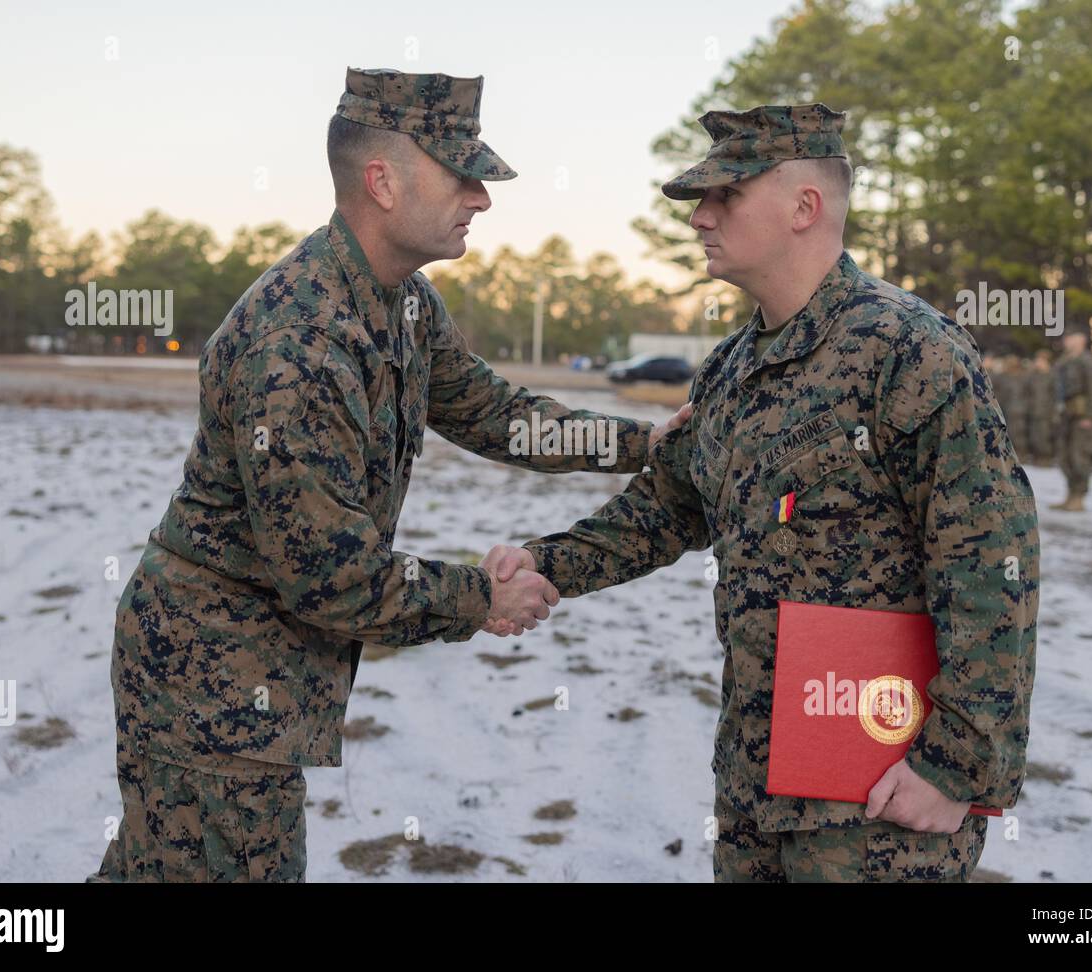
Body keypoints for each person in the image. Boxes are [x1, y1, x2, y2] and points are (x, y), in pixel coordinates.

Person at [89, 67, 690, 883]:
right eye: (462, 176)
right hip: (212, 677)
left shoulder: (403, 300)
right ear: (382, 182)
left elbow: (491, 410)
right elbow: (330, 580)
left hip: (259, 676)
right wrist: (485, 599)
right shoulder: (298, 342)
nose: (481, 198)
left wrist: (640, 442)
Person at [487, 103, 1039, 882]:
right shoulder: (728, 368)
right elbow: (667, 508)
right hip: (757, 772)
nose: (700, 219)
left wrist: (956, 768)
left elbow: (994, 568)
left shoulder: (909, 352)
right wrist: (547, 564)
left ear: (804, 208)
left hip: (880, 790)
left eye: (725, 197)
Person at [1050, 331, 1092, 511]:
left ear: (1081, 341)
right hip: (1065, 415)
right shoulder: (1063, 362)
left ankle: (1079, 497)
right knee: (1064, 457)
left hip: (1081, 416)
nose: (1067, 341)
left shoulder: (1087, 362)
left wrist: (1090, 416)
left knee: (1079, 457)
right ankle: (1070, 494)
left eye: (1071, 338)